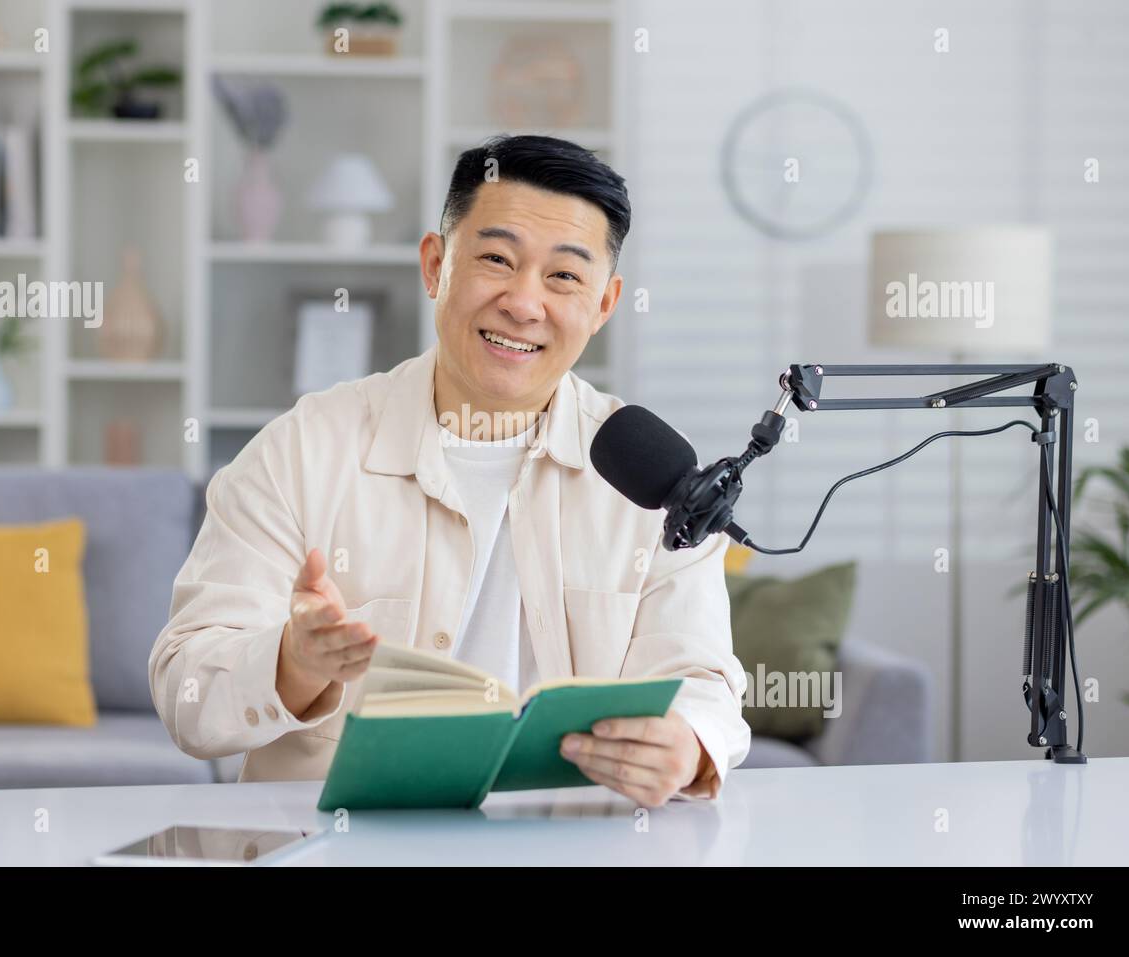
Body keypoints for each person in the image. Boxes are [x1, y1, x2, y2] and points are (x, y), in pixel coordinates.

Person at [150, 135, 750, 805]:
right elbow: (186, 690)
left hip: (572, 847)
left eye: (563, 276)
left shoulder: (655, 474)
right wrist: (293, 662)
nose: (524, 303)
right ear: (435, 265)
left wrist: (687, 740)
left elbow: (703, 677)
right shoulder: (301, 450)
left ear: (604, 305)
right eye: (496, 259)